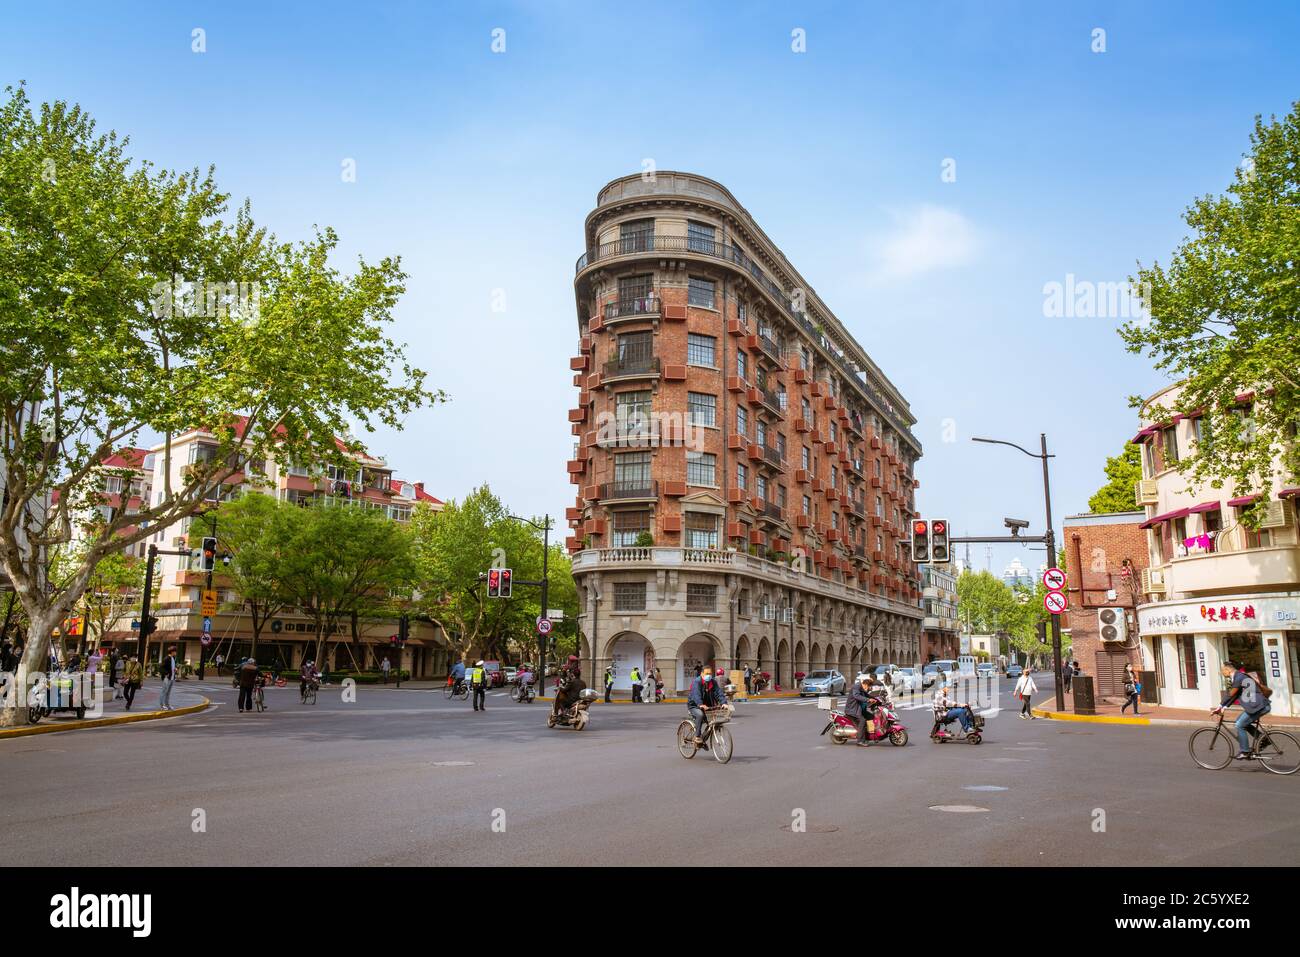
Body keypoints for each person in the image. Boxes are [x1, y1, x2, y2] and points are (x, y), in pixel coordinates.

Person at [1212, 659, 1272, 759]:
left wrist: (1219, 706)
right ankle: (1263, 740)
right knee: (1241, 722)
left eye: (1223, 671)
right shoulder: (1240, 676)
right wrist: (1224, 707)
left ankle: (1244, 751)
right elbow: (1235, 695)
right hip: (1258, 706)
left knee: (1239, 725)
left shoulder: (1238, 677)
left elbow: (1231, 694)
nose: (1222, 674)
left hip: (1258, 707)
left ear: (1228, 670)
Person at [686, 665, 727, 745]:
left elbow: (718, 693)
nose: (709, 675)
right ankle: (697, 737)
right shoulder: (697, 682)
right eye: (707, 673)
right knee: (700, 715)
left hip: (708, 706)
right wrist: (700, 704)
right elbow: (696, 694)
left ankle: (703, 740)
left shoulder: (713, 682)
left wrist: (724, 703)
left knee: (713, 721)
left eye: (710, 673)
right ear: (702, 674)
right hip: (694, 705)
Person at [845, 675, 876, 747]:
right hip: (852, 710)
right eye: (868, 687)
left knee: (872, 717)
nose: (868, 689)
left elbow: (866, 695)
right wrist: (868, 700)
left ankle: (868, 736)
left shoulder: (861, 688)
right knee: (862, 721)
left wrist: (875, 699)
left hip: (858, 709)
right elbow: (857, 696)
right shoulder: (856, 687)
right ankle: (860, 741)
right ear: (865, 684)